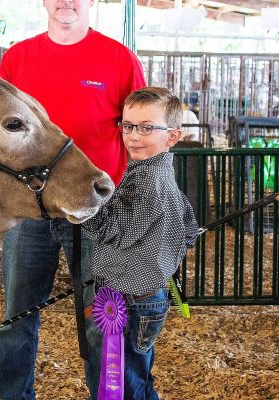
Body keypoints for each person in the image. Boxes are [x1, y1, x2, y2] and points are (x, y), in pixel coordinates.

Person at [0, 0, 146, 400]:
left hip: (99, 207)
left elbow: (137, 131)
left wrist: (138, 199)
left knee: (105, 316)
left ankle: (109, 395)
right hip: (30, 209)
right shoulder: (18, 59)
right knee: (17, 314)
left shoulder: (118, 59)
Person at [82, 87, 199, 400]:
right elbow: (189, 229)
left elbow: (115, 231)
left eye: (146, 128)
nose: (133, 135)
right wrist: (157, 255)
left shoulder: (146, 180)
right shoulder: (160, 173)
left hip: (131, 301)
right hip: (148, 295)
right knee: (137, 374)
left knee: (128, 381)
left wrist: (80, 209)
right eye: (127, 126)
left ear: (172, 136)